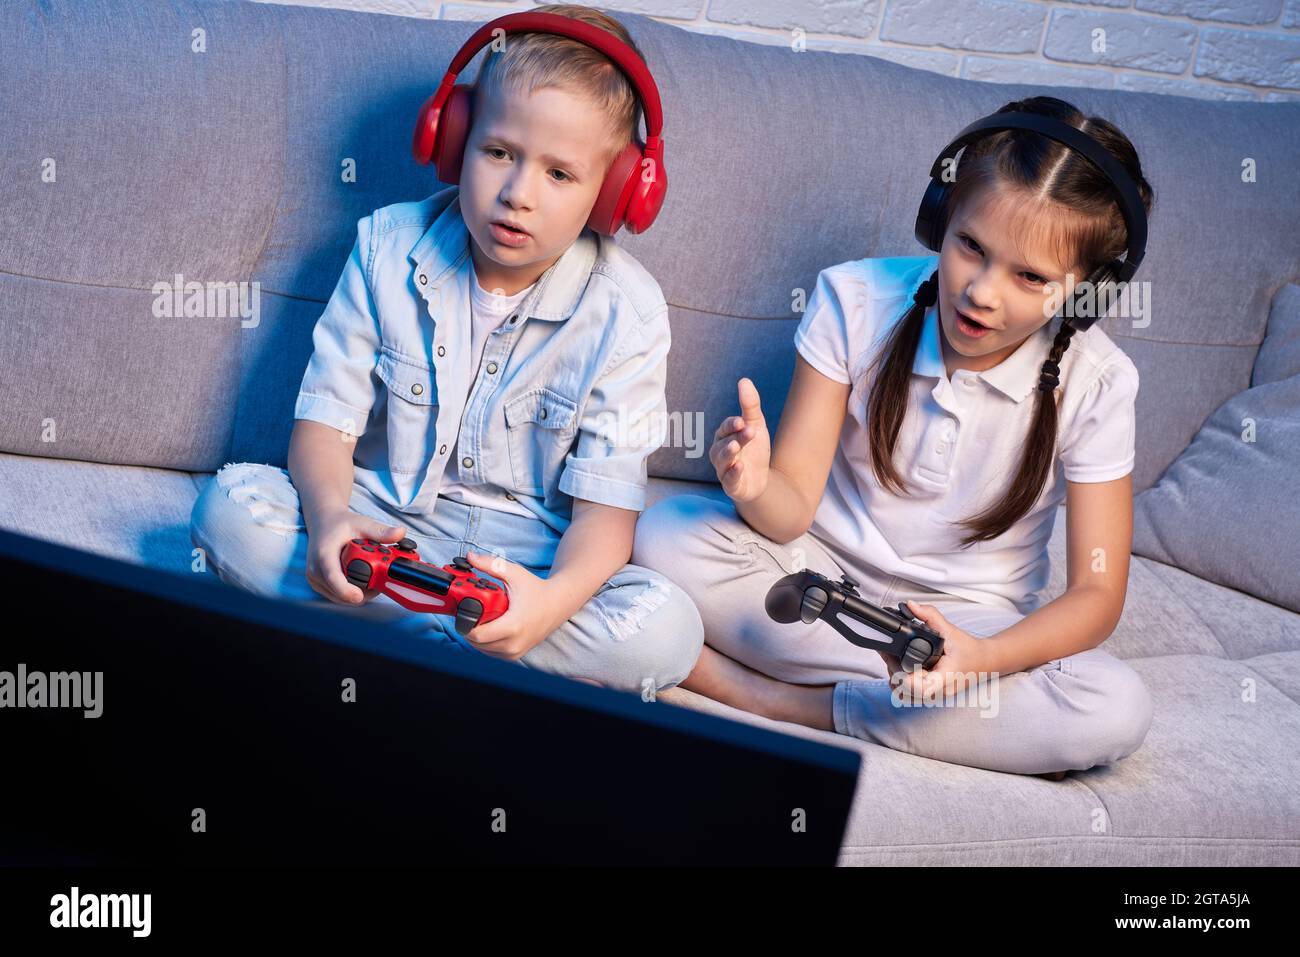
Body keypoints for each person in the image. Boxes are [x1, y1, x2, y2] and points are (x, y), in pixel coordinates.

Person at [633, 96, 1157, 776]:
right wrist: (757, 485)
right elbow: (790, 508)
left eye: (1030, 277)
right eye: (970, 246)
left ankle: (786, 700)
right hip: (811, 571)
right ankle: (905, 705)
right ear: (940, 218)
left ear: (1090, 291)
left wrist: (981, 659)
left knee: (1112, 705)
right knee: (664, 535)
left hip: (969, 625)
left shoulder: (1101, 383)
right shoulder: (852, 300)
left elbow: (1096, 596)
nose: (982, 293)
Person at [190, 6, 702, 696]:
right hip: (380, 519)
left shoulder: (630, 312)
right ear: (454, 139)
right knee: (228, 511)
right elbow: (324, 426)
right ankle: (470, 646)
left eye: (560, 174)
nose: (518, 194)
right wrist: (332, 518)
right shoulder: (385, 246)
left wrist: (548, 604)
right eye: (499, 153)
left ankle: (419, 629)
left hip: (526, 560)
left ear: (614, 194)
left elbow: (605, 523)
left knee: (666, 633)